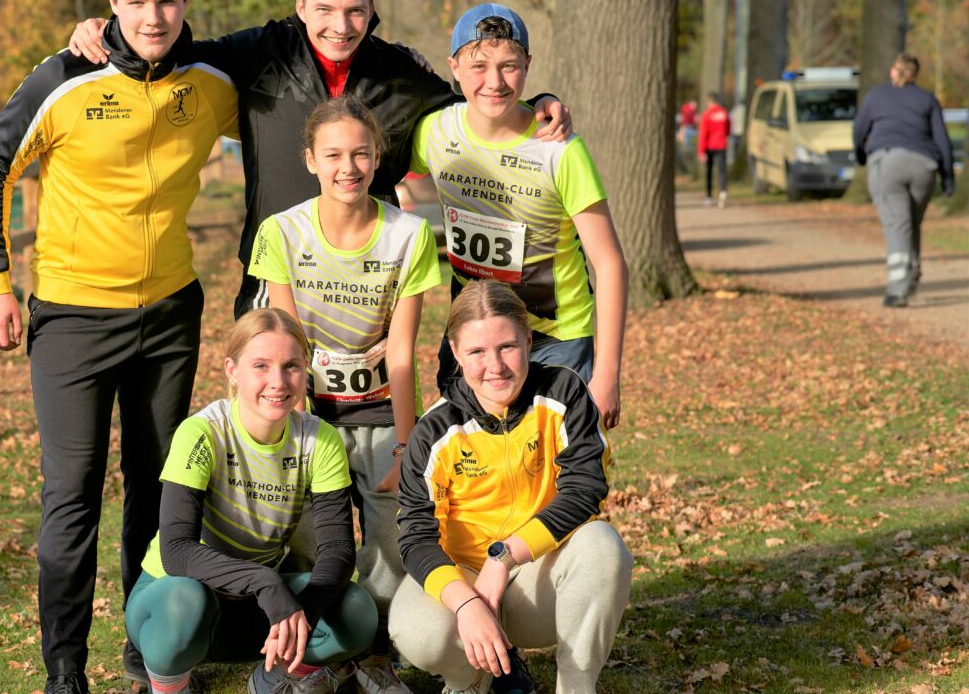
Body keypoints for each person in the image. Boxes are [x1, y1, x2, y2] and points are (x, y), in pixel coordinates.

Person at [0, 0, 238, 694]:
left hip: (170, 315)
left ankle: (146, 642)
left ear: (186, 2)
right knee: (72, 492)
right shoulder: (65, 76)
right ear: (113, 3)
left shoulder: (212, 80)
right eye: (139, 2)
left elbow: (294, 113)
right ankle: (65, 669)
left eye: (169, 1)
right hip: (74, 318)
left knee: (157, 487)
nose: (155, 16)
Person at [66, 0, 573, 325]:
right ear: (301, 7)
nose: (341, 25)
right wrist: (107, 32)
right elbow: (169, 47)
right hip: (274, 275)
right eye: (326, 10)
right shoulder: (259, 53)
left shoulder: (401, 74)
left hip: (368, 285)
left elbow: (479, 109)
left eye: (355, 11)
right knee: (268, 426)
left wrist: (539, 103)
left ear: (371, 8)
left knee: (360, 432)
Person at [247, 96, 441, 689]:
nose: (347, 167)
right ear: (310, 159)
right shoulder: (281, 231)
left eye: (360, 153)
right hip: (311, 414)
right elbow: (287, 347)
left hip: (383, 411)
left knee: (388, 537)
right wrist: (294, 439)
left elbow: (404, 351)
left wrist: (408, 446)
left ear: (378, 157)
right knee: (310, 534)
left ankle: (379, 654)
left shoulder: (409, 234)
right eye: (332, 154)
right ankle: (316, 654)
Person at [391, 280, 632, 694]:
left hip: (537, 579)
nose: (495, 366)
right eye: (477, 352)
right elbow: (415, 538)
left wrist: (502, 559)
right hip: (464, 585)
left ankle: (575, 686)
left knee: (602, 546)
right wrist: (465, 603)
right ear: (455, 352)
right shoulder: (433, 431)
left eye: (507, 347)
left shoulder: (565, 392)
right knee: (417, 629)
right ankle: (470, 681)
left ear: (528, 339)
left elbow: (584, 490)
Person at [125, 308, 378, 694]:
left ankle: (276, 675)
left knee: (357, 612)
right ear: (232, 370)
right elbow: (176, 552)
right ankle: (171, 684)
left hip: (259, 611)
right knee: (184, 600)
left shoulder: (319, 440)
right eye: (261, 365)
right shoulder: (201, 433)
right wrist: (264, 581)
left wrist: (299, 614)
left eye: (291, 366)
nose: (277, 382)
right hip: (176, 599)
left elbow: (338, 552)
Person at [410, 3, 627, 431]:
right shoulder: (435, 132)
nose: (494, 81)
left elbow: (610, 263)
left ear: (528, 65)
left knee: (555, 479)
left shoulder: (560, 149)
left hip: (556, 339)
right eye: (478, 66)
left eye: (509, 66)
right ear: (453, 67)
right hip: (476, 332)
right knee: (472, 472)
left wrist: (607, 374)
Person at [852, 52, 957, 308]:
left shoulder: (877, 96)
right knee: (911, 223)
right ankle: (912, 274)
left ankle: (898, 289)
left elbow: (859, 129)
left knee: (898, 225)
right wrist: (947, 176)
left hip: (887, 164)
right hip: (924, 166)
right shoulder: (926, 99)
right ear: (916, 75)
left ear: (893, 71)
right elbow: (942, 139)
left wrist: (861, 156)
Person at [697, 92, 730, 207]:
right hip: (721, 145)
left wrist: (701, 151)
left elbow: (703, 133)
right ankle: (723, 191)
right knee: (722, 170)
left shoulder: (707, 115)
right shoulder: (724, 113)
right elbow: (728, 129)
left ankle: (709, 195)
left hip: (709, 146)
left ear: (709, 102)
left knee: (709, 171)